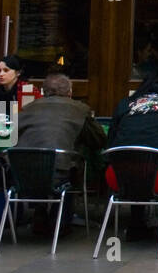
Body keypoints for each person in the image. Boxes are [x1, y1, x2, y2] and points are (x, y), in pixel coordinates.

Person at [15, 72, 106, 235]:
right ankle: (61, 220)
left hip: (22, 174)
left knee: (44, 164)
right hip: (58, 173)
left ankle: (40, 214)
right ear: (70, 92)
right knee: (70, 167)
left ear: (43, 92)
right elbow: (98, 139)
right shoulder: (79, 109)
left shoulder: (27, 109)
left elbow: (11, 136)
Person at [106, 63, 158, 205]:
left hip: (118, 175)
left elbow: (111, 138)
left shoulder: (125, 103)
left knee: (135, 160)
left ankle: (136, 223)